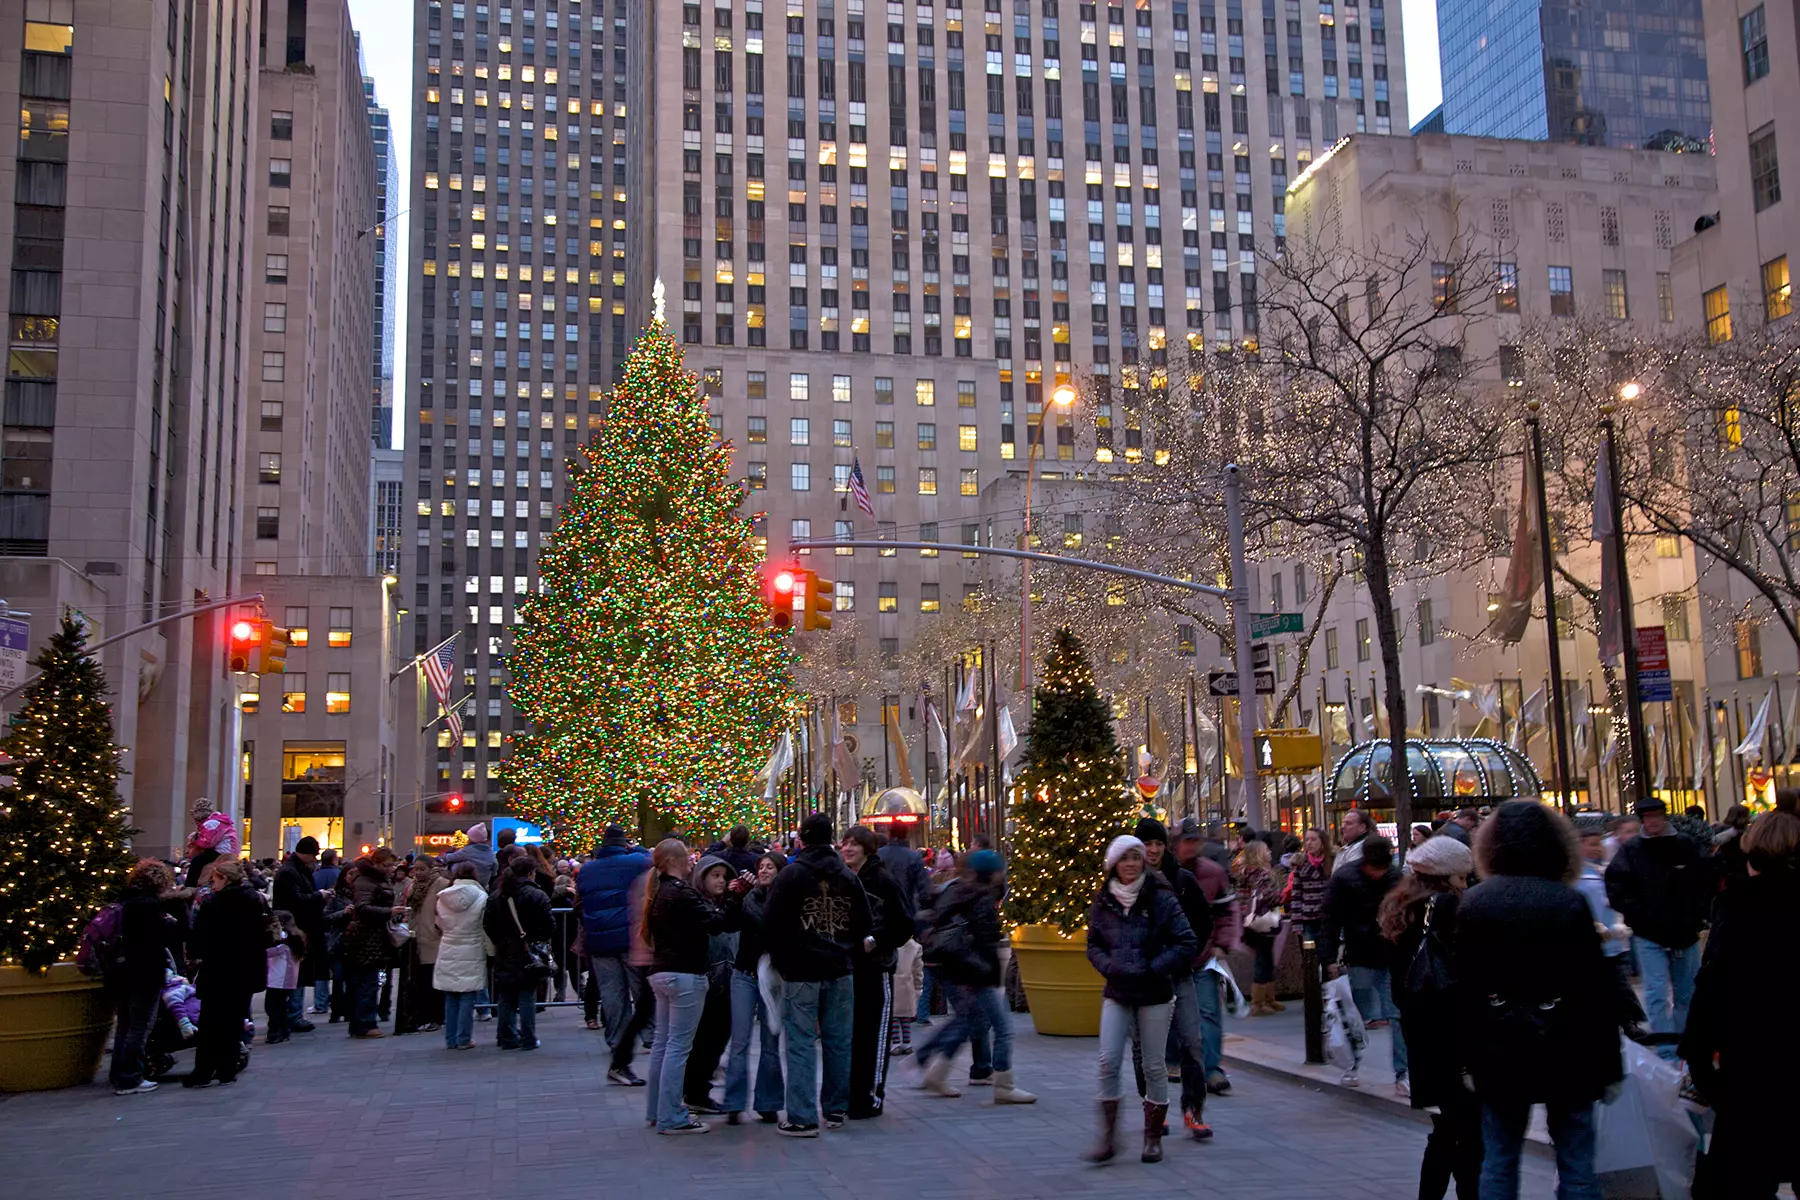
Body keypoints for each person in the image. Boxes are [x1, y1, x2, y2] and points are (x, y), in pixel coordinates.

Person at [1458, 800, 1621, 1200]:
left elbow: (1464, 991)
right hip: (1567, 1044)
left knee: (1498, 1161)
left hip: (1499, 1047)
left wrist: (1465, 1058)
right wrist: (1609, 1063)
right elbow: (1594, 989)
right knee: (1577, 1164)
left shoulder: (1477, 902)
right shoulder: (1567, 901)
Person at [1683, 809, 1800, 1197]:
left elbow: (1713, 983)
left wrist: (1698, 1057)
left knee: (1746, 1176)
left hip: (1753, 1062)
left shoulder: (1740, 904)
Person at [1083, 834, 1198, 1165]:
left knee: (1153, 1065)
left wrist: (1155, 968)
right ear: (1113, 864)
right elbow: (1093, 944)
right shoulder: (1104, 900)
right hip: (1118, 990)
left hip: (1154, 992)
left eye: (1136, 857)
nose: (1131, 864)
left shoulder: (1159, 897)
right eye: (1125, 858)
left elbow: (1185, 942)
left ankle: (1152, 1137)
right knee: (1108, 1060)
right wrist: (1109, 966)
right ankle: (1108, 1137)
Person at [1380, 835, 1480, 1200]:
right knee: (1465, 1126)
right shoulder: (1450, 909)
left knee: (1451, 1124)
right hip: (1453, 1028)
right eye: (1462, 876)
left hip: (1420, 1026)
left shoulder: (1400, 906)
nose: (1466, 883)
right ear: (1448, 875)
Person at [763, 812, 873, 1137]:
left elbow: (770, 924)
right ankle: (836, 1108)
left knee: (800, 1042)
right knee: (839, 1041)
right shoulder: (848, 877)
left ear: (803, 839)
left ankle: (802, 1116)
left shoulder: (792, 875)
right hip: (840, 968)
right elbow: (864, 923)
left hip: (801, 971)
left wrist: (783, 960)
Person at [914, 847, 1036, 1105]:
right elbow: (985, 939)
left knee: (972, 1021)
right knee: (1002, 1027)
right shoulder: (982, 897)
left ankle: (937, 1072)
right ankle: (1004, 1084)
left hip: (955, 967)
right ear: (992, 873)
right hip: (975, 972)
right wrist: (991, 973)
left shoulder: (957, 890)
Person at [642, 838, 728, 1135]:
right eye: (687, 856)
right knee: (678, 1047)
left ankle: (657, 1110)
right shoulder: (680, 893)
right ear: (674, 861)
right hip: (685, 974)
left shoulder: (659, 892)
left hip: (662, 972)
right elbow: (715, 923)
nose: (692, 860)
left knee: (663, 1045)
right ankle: (671, 1115)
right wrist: (732, 898)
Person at [1605, 796, 1708, 1041]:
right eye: (1648, 817)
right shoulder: (1633, 851)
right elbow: (1618, 888)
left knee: (1683, 993)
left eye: (1656, 816)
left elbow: (1704, 881)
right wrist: (1641, 918)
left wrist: (1697, 914)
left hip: (1679, 931)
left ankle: (1681, 1046)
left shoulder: (1684, 845)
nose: (1652, 822)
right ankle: (1669, 1048)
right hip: (1653, 932)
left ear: (1664, 817)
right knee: (1659, 993)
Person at [1140, 817, 1215, 1138]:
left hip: (1180, 973)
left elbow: (1203, 921)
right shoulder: (1129, 880)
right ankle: (1155, 1110)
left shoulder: (1181, 879)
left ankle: (1193, 1108)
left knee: (1191, 1041)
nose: (1153, 850)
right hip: (1144, 978)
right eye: (1147, 844)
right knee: (1148, 1048)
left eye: (1158, 843)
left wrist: (1188, 953)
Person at [1320, 835, 1408, 1094]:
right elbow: (1331, 919)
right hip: (1361, 954)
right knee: (1355, 1013)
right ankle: (1353, 1064)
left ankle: (1401, 1072)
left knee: (1396, 1013)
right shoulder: (1348, 878)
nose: (1378, 874)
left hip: (1388, 954)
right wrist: (1328, 958)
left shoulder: (1394, 878)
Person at [839, 824, 915, 1119]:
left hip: (875, 967)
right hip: (848, 968)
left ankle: (869, 1095)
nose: (848, 848)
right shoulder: (843, 879)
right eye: (845, 843)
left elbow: (904, 922)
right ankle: (851, 1093)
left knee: (874, 1033)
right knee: (851, 1034)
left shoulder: (882, 880)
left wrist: (876, 940)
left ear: (867, 849)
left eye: (854, 844)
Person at [185, 858, 272, 1087]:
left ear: (224, 878)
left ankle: (204, 1070)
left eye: (215, 880)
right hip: (245, 969)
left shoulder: (213, 905)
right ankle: (227, 1068)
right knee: (234, 1021)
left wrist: (195, 955)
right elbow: (267, 933)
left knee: (210, 1022)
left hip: (218, 969)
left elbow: (199, 941)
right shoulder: (255, 900)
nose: (213, 885)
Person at [577, 824, 653, 1082]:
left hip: (599, 941)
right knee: (642, 992)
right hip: (630, 937)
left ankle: (616, 1042)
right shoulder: (636, 863)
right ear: (624, 843)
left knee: (612, 995)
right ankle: (650, 1036)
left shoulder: (586, 870)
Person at [1174, 816, 1238, 1097]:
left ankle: (1211, 1069)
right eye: (1187, 841)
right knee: (1168, 1013)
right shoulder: (1163, 873)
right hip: (1172, 957)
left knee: (1209, 1011)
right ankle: (1173, 1062)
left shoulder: (1212, 872)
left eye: (1195, 841)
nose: (1192, 847)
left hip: (1202, 954)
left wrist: (1221, 944)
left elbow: (1226, 911)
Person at [722, 851, 786, 1124]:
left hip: (772, 975)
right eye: (761, 866)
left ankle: (768, 1101)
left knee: (770, 1040)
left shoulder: (786, 901)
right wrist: (735, 897)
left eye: (770, 866)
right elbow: (727, 922)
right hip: (745, 972)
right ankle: (734, 1102)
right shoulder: (748, 897)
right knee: (740, 1040)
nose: (764, 870)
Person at [109, 859, 183, 1094]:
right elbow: (162, 937)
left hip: (120, 970)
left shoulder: (124, 900)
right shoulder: (149, 906)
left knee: (125, 1024)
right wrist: (171, 923)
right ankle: (130, 1077)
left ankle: (118, 1074)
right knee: (139, 1026)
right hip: (144, 970)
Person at [681, 853, 738, 1115]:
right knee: (703, 1039)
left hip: (726, 981)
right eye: (715, 876)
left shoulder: (725, 904)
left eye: (724, 877)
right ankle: (695, 1091)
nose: (721, 881)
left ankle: (699, 1089)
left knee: (718, 1037)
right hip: (705, 981)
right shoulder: (697, 905)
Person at [1574, 823, 1643, 1034]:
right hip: (1596, 942)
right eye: (1591, 844)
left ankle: (1628, 1022)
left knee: (1618, 983)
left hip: (1613, 941)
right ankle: (1626, 1023)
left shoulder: (1603, 870)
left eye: (1598, 844)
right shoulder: (1577, 876)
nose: (1596, 848)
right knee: (1613, 984)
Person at [485, 854, 554, 1051]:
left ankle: (507, 1037)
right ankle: (528, 1038)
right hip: (528, 949)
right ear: (532, 873)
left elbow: (487, 923)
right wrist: (537, 938)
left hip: (505, 949)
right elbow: (549, 924)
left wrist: (500, 940)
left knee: (505, 996)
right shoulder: (537, 895)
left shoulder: (497, 895)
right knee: (526, 995)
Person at [334, 848, 402, 1039]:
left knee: (365, 981)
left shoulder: (371, 879)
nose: (391, 869)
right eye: (388, 865)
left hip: (370, 935)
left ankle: (361, 1022)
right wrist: (389, 912)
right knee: (367, 981)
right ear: (378, 864)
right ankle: (365, 1023)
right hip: (366, 937)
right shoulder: (367, 880)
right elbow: (362, 908)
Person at [878, 822, 929, 1057]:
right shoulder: (913, 857)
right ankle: (905, 1033)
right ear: (907, 834)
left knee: (888, 975)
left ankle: (891, 1035)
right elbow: (924, 890)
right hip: (907, 920)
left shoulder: (880, 855)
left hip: (881, 920)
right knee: (908, 971)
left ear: (889, 834)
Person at [270, 836, 324, 1038]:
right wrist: (319, 896)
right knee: (293, 976)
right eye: (313, 855)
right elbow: (296, 901)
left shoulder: (296, 870)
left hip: (299, 928)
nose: (314, 859)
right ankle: (291, 1016)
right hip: (294, 930)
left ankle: (292, 1015)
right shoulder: (290, 873)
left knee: (296, 975)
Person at [433, 862, 489, 1050]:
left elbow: (439, 922)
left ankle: (451, 1039)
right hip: (472, 944)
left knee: (451, 995)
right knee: (468, 994)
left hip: (448, 944)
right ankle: (464, 1037)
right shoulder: (481, 896)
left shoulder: (443, 896)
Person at [396, 856, 446, 1035]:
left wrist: (437, 927)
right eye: (415, 869)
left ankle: (437, 1017)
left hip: (433, 937)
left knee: (434, 979)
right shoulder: (413, 886)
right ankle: (423, 1016)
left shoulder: (441, 884)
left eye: (422, 869)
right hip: (416, 937)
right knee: (421, 980)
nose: (418, 873)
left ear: (431, 869)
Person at [1235, 838, 1282, 1016]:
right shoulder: (1262, 874)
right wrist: (1280, 898)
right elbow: (1269, 897)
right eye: (1267, 851)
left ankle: (1268, 998)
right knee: (1264, 958)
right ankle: (1259, 1002)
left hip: (1249, 921)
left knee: (1265, 957)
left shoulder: (1243, 873)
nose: (1270, 853)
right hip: (1263, 920)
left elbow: (1240, 897)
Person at [1283, 826, 1335, 944]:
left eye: (1313, 839)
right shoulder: (1301, 863)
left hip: (1327, 917)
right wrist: (1297, 924)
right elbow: (1296, 895)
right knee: (1310, 957)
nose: (1309, 843)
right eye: (1307, 840)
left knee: (1327, 954)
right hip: (1307, 918)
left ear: (1323, 842)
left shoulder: (1332, 861)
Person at [182, 798, 241, 888]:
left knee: (196, 861)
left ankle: (190, 886)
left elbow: (207, 842)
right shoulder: (219, 821)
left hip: (222, 851)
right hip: (229, 851)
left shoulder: (210, 823)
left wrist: (196, 842)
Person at [439, 823, 497, 889]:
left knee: (455, 864)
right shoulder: (490, 852)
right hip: (483, 884)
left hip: (466, 882)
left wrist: (444, 856)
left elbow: (450, 858)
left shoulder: (468, 851)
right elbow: (495, 868)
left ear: (472, 839)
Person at [1335, 808, 1372, 873]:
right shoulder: (1350, 846)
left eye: (1348, 823)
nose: (1343, 826)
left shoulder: (1362, 847)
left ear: (1362, 827)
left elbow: (1350, 875)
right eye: (1343, 822)